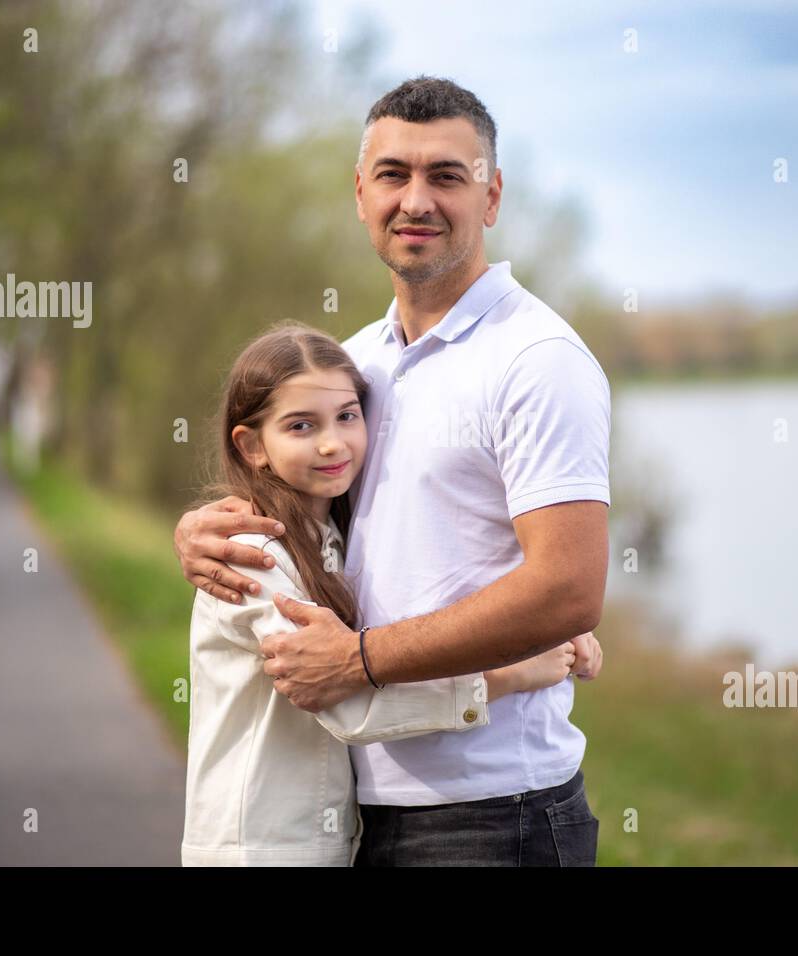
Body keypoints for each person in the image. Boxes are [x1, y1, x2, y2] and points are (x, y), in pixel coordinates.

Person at [175, 76, 611, 866]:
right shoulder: (356, 365)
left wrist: (362, 658)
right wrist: (203, 528)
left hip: (495, 814)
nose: (417, 200)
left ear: (492, 194)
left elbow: (570, 589)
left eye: (446, 175)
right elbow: (304, 504)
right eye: (393, 175)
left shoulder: (537, 360)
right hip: (359, 812)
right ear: (360, 194)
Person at [182, 322, 588, 866]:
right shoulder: (256, 557)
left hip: (322, 841)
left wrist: (551, 620)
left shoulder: (331, 540)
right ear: (252, 445)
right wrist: (510, 674)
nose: (332, 443)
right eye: (301, 426)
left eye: (347, 417)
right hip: (259, 850)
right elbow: (343, 701)